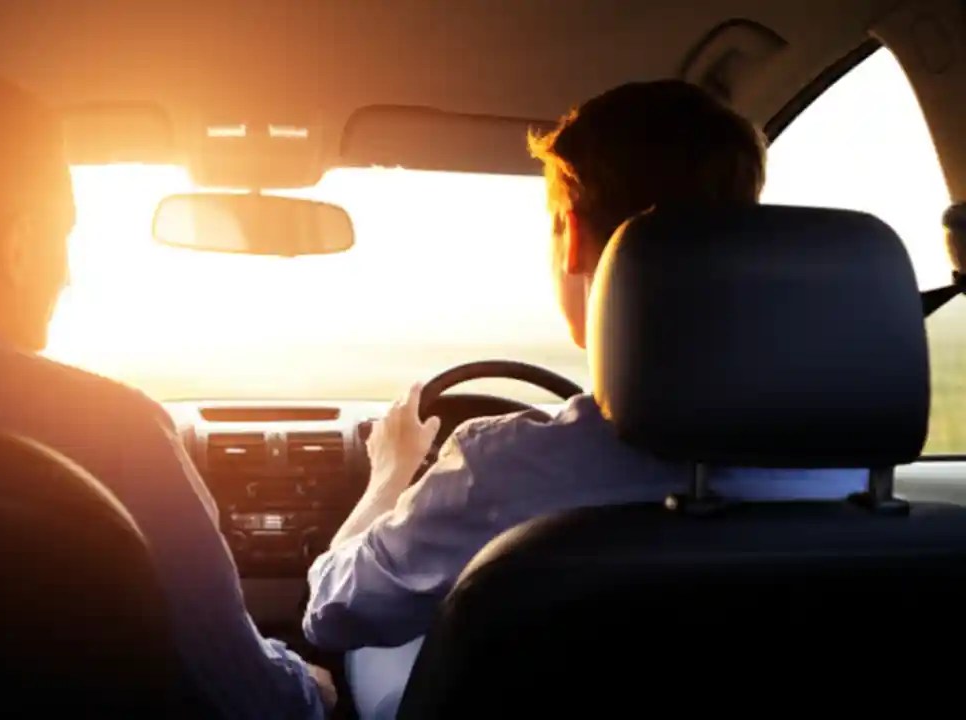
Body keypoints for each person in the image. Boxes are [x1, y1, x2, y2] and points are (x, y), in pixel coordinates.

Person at [302, 80, 868, 718]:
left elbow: (332, 615)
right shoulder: (850, 479)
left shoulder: (502, 468)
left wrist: (388, 476)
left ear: (570, 235)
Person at [0, 66, 334, 719]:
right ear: (20, 244)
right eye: (63, 234)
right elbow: (249, 703)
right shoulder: (112, 437)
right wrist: (312, 684)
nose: (68, 273)